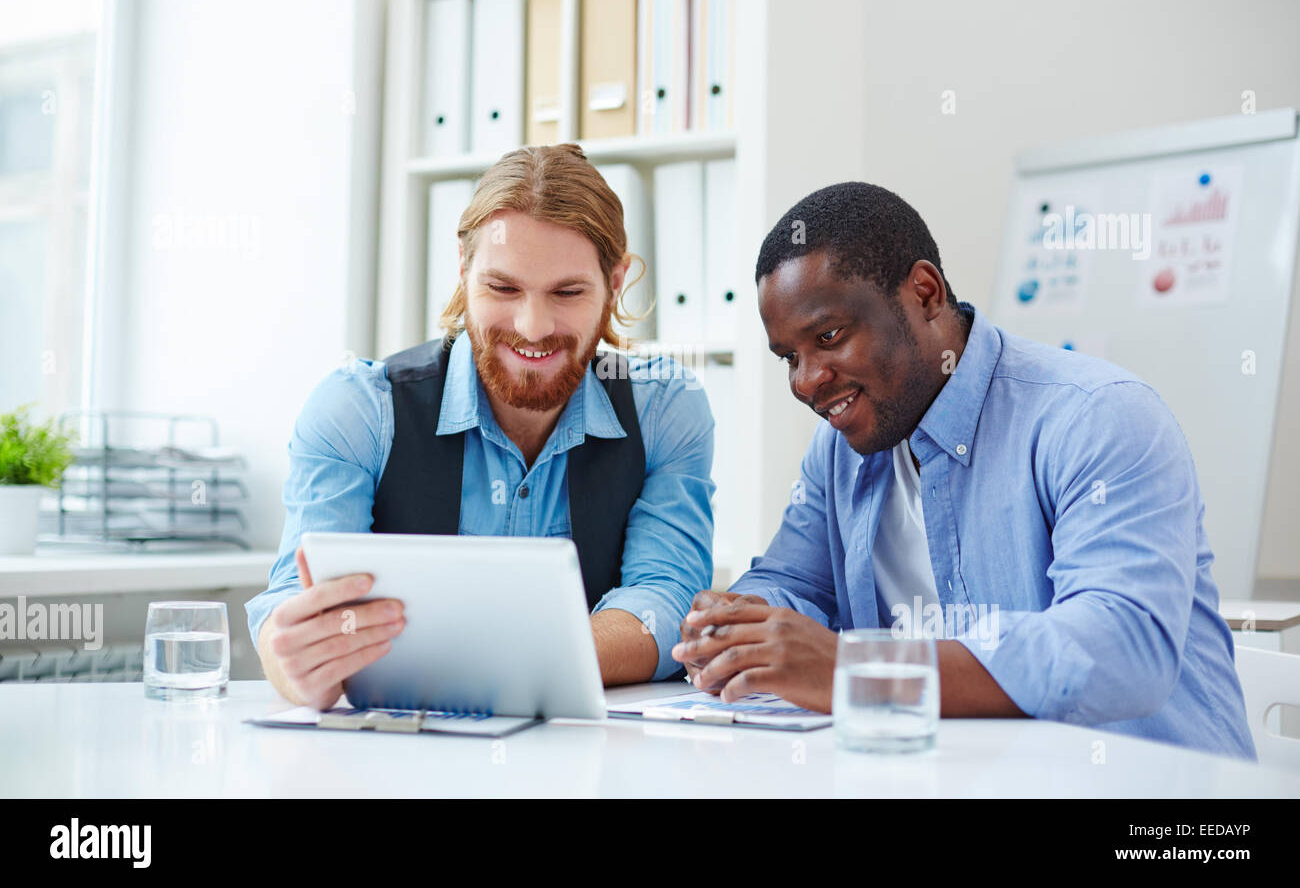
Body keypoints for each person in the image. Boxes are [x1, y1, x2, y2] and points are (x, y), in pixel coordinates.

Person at [671, 181, 1255, 759]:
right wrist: (738, 627)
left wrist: (854, 668)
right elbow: (795, 584)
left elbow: (1122, 649)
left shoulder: (1097, 415)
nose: (805, 381)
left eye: (829, 337)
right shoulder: (838, 451)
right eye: (789, 358)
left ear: (924, 293)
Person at [248, 143, 714, 710]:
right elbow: (289, 607)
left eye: (567, 293)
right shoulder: (358, 410)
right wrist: (293, 659)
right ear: (465, 270)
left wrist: (510, 658)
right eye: (503, 288)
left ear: (615, 284)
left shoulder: (665, 409)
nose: (532, 326)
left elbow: (666, 601)